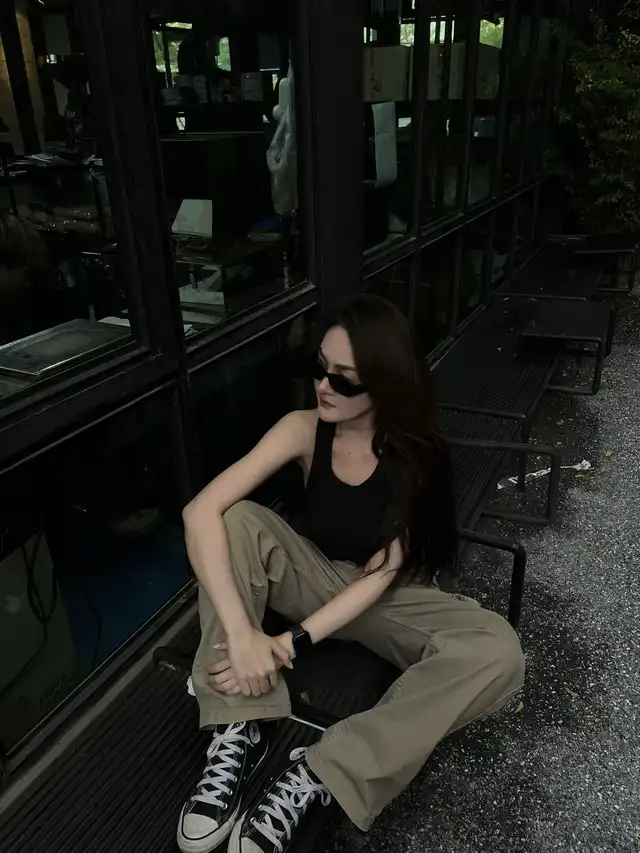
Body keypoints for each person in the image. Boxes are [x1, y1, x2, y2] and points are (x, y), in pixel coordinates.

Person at [177, 294, 525, 853]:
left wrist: (288, 642)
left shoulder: (417, 454)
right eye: (320, 368)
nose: (324, 386)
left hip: (385, 595)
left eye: (344, 380)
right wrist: (243, 638)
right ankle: (238, 720)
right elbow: (199, 512)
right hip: (314, 576)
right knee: (234, 521)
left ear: (385, 385)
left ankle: (328, 768)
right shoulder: (302, 429)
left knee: (498, 651)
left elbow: (381, 576)